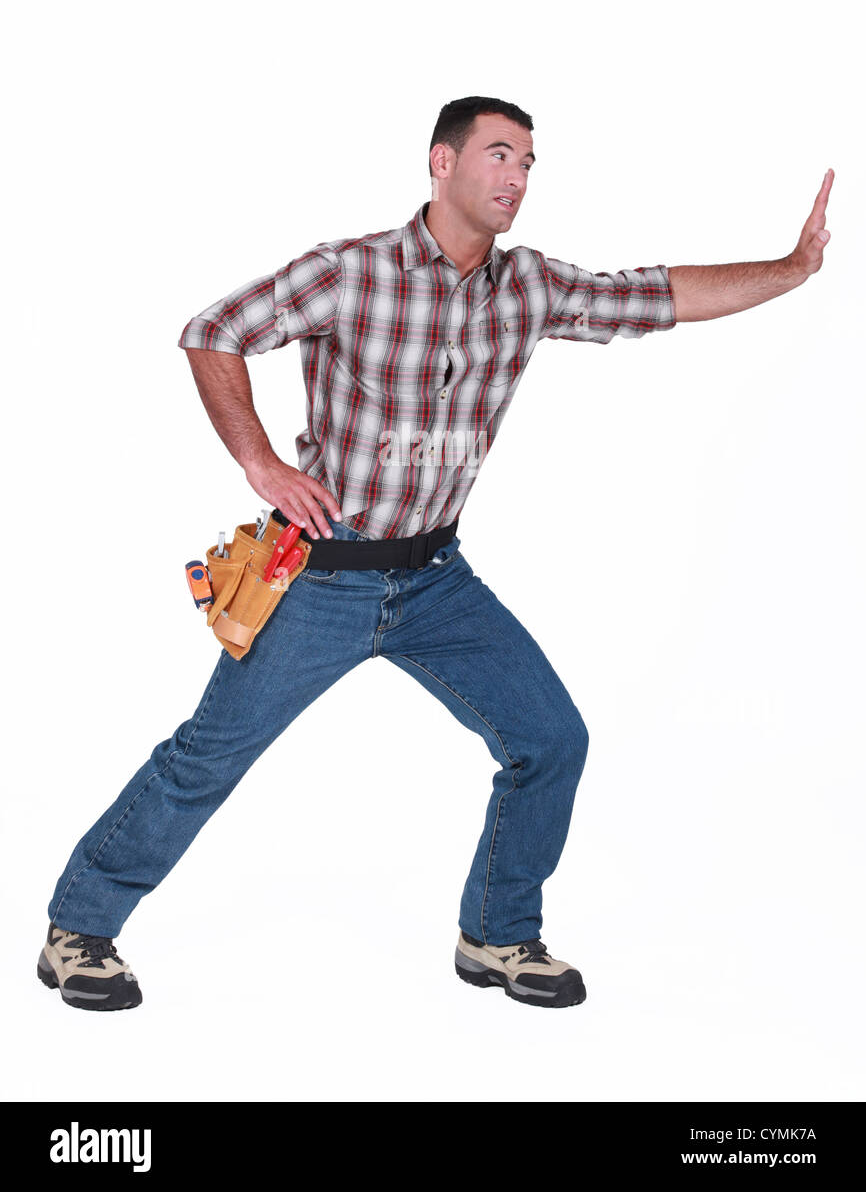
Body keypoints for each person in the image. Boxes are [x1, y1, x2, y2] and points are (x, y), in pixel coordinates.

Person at [38, 97, 834, 1012]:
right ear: (441, 163)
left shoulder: (529, 286)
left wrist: (793, 268)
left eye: (530, 163)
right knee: (207, 757)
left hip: (436, 583)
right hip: (323, 577)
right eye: (499, 155)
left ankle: (497, 937)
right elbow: (212, 332)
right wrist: (259, 462)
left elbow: (658, 296)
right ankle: (78, 928)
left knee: (549, 741)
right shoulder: (351, 273)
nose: (516, 178)